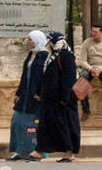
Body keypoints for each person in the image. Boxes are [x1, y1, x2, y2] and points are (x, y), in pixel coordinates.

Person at [34, 31, 80, 162]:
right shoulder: (51, 57)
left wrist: (64, 99)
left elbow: (68, 79)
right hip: (50, 101)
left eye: (49, 42)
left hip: (62, 101)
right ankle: (38, 151)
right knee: (45, 126)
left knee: (64, 127)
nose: (47, 45)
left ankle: (69, 153)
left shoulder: (66, 56)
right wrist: (41, 93)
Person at [8, 30, 48, 161]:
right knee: (17, 121)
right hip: (25, 97)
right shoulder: (32, 54)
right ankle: (19, 151)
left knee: (32, 126)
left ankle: (35, 152)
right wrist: (18, 93)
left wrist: (42, 94)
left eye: (30, 39)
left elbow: (47, 77)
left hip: (35, 98)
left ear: (37, 40)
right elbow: (25, 76)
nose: (28, 42)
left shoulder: (44, 56)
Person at [76, 23, 102, 118]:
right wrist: (91, 69)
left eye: (95, 32)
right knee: (82, 78)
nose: (93, 34)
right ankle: (85, 109)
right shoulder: (87, 43)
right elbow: (83, 60)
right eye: (92, 31)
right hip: (89, 67)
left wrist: (99, 68)